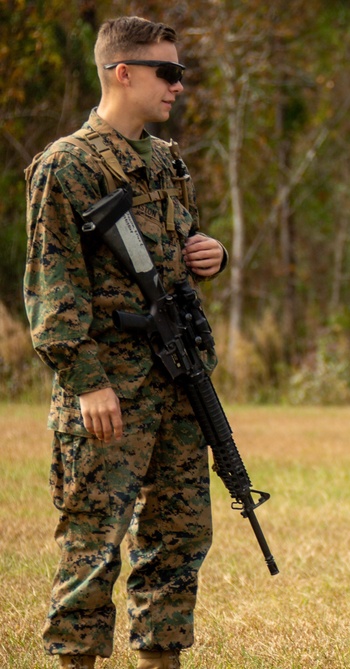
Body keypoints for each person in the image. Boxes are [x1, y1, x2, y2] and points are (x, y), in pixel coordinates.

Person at [23, 16, 227, 669]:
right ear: (123, 72)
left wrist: (212, 254)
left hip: (175, 380)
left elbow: (178, 255)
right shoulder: (67, 165)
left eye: (180, 73)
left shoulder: (165, 161)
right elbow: (53, 287)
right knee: (94, 541)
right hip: (109, 385)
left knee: (179, 535)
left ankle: (160, 658)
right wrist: (87, 381)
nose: (178, 86)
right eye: (167, 72)